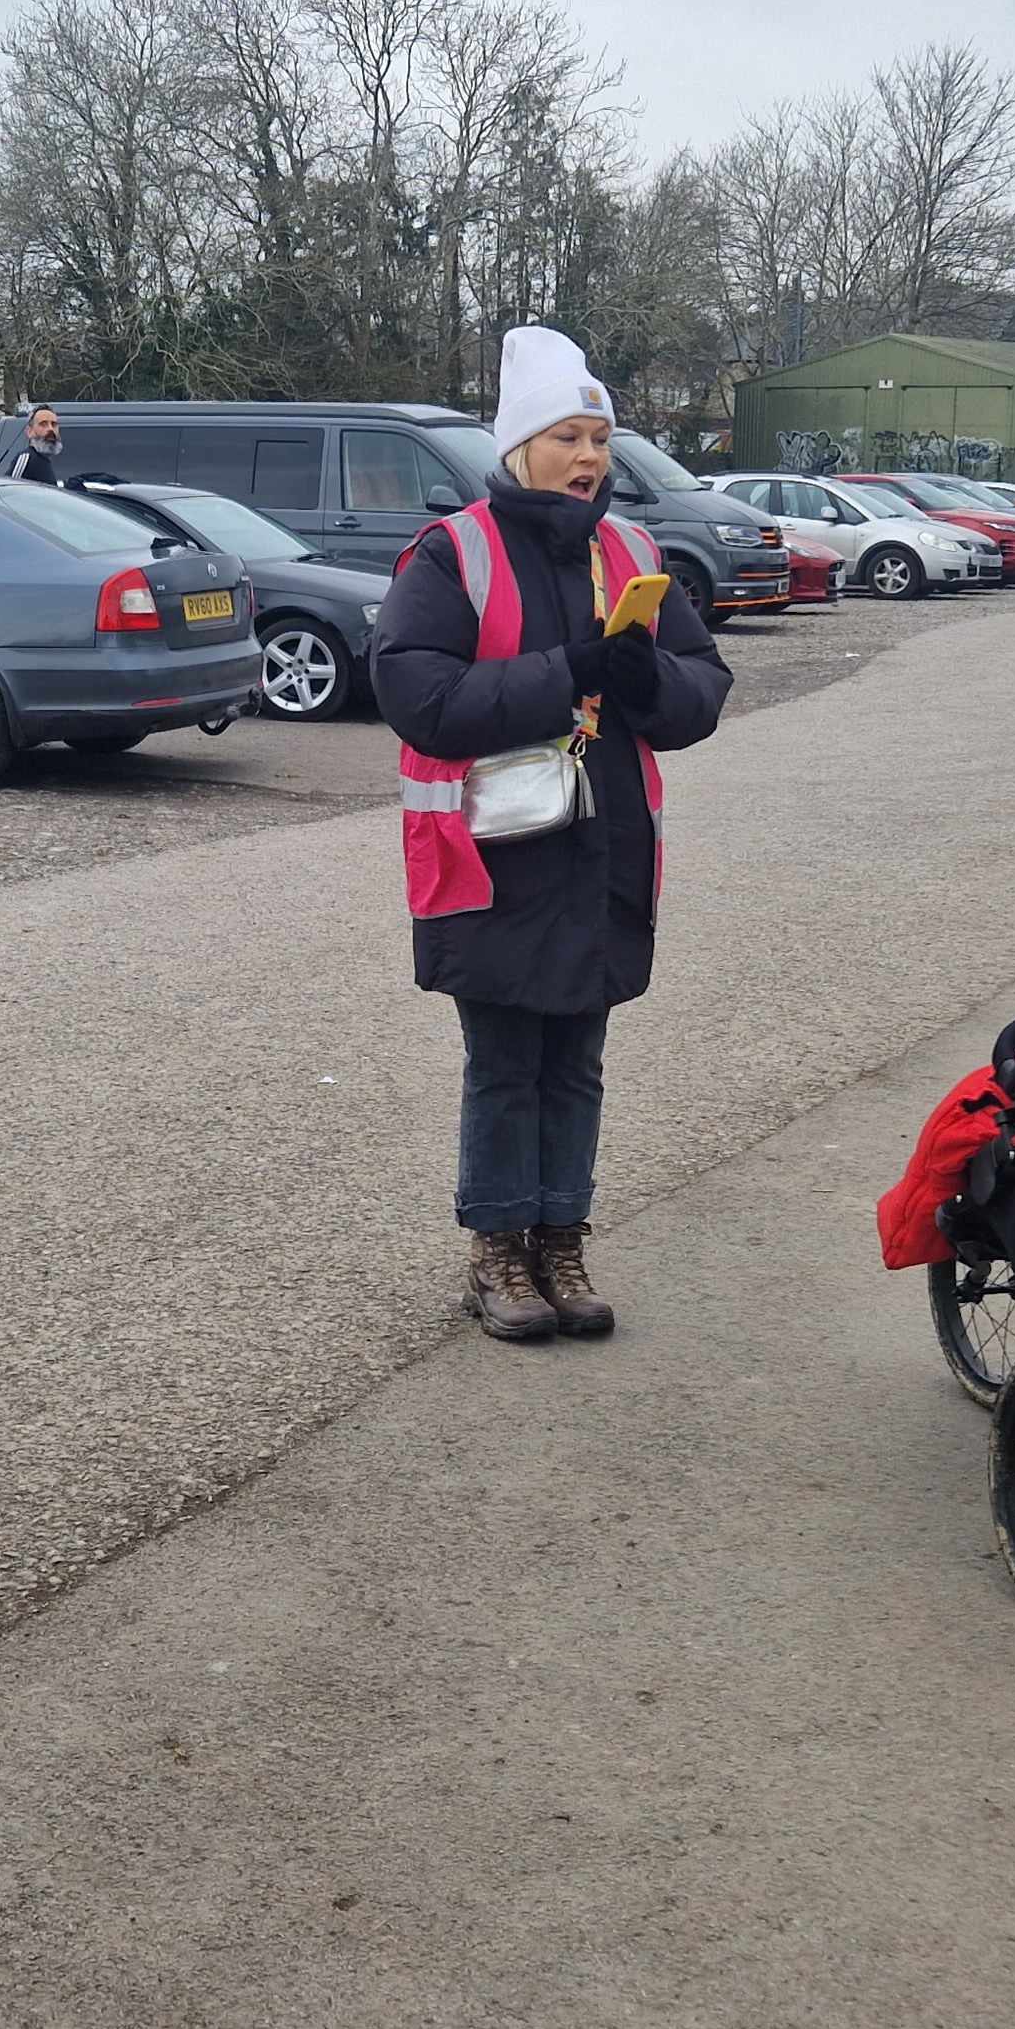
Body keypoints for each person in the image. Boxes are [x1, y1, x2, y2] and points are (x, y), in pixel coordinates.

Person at [376, 326, 731, 1341]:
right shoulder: (454, 553)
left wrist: (646, 678)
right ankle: (497, 1249)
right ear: (521, 447)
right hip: (491, 853)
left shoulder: (634, 552)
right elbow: (420, 698)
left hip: (603, 845)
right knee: (504, 1063)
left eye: (600, 440)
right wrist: (568, 670)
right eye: (568, 437)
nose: (588, 458)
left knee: (575, 1060)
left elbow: (702, 692)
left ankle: (561, 1240)